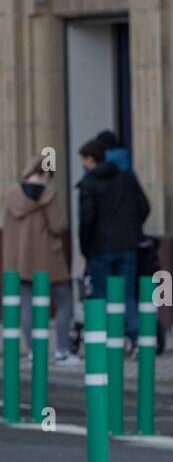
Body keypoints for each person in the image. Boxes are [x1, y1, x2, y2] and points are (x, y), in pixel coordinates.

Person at [77, 138, 150, 351]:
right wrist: (132, 229)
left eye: (84, 159)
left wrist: (85, 247)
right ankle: (138, 342)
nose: (83, 164)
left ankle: (107, 343)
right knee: (127, 295)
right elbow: (144, 207)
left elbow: (86, 220)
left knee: (101, 295)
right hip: (128, 246)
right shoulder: (126, 178)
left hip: (101, 248)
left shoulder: (89, 183)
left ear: (91, 159)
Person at [2, 155, 76, 366]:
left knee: (26, 305)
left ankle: (35, 352)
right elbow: (58, 226)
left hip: (19, 260)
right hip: (48, 259)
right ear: (44, 173)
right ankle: (62, 351)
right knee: (64, 301)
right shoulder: (49, 196)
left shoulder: (12, 196)